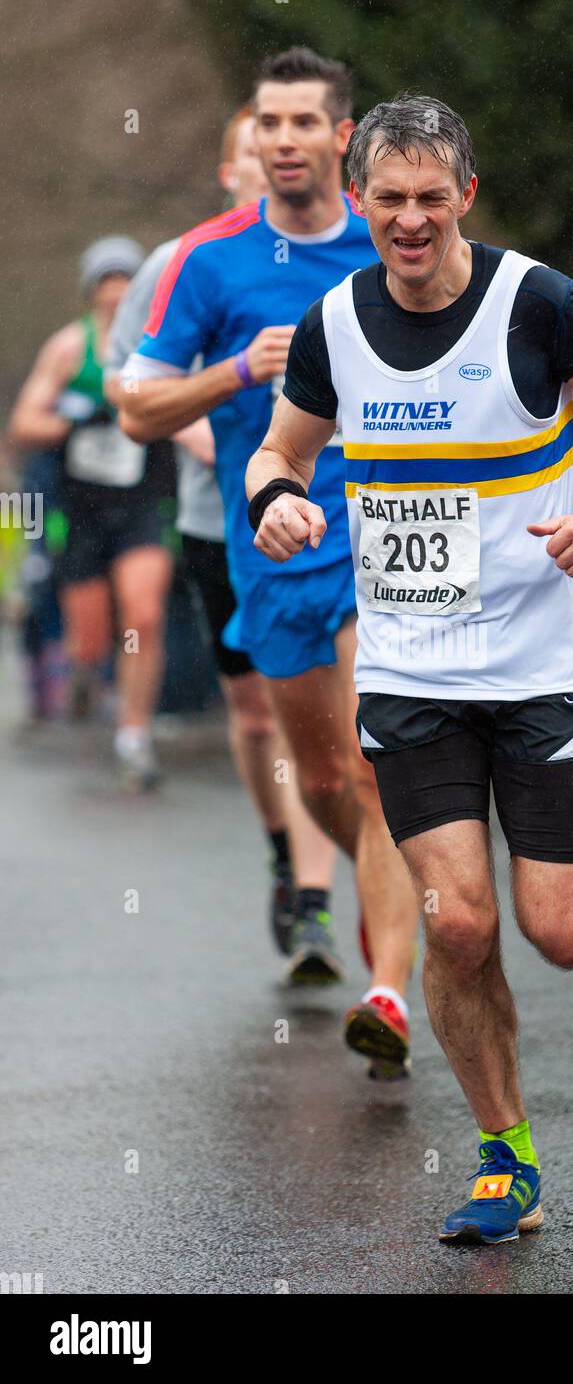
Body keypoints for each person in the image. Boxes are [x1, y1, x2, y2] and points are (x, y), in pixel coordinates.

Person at [246, 94, 573, 1243]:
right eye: (387, 199)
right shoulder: (333, 322)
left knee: (565, 932)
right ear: (359, 199)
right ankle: (504, 1154)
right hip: (409, 671)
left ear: (464, 197)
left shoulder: (534, 303)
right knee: (456, 927)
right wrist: (277, 498)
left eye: (431, 198)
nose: (409, 220)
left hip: (540, 665)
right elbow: (279, 446)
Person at [118, 48, 419, 1075]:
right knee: (326, 772)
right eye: (267, 124)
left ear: (342, 137)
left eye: (302, 123)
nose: (282, 140)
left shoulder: (394, 243)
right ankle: (386, 898)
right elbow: (134, 402)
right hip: (273, 539)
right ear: (251, 139)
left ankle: (390, 987)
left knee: (376, 772)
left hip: (385, 535)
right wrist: (233, 371)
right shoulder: (207, 263)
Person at [103, 105, 337, 959]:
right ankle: (284, 852)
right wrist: (214, 428)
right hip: (216, 519)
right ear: (229, 169)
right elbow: (130, 385)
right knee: (256, 715)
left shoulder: (334, 250)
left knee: (322, 711)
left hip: (322, 516)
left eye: (285, 145)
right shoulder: (181, 262)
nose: (271, 161)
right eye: (251, 152)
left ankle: (316, 899)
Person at [8, 236, 175, 789]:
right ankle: (87, 674)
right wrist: (75, 421)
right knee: (90, 640)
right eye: (106, 283)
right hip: (80, 510)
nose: (115, 293)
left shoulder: (162, 343)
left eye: (125, 282)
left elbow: (189, 405)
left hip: (143, 504)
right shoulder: (67, 348)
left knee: (144, 616)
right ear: (91, 291)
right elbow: (23, 425)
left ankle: (134, 736)